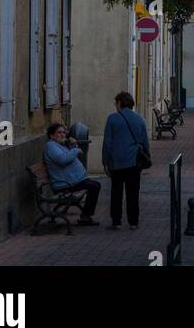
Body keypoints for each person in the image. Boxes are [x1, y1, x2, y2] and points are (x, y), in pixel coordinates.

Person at [102, 91, 151, 230]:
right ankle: (133, 222)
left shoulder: (112, 119)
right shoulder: (140, 119)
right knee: (133, 193)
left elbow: (107, 142)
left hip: (117, 162)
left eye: (116, 103)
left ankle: (116, 221)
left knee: (116, 193)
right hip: (134, 161)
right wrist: (147, 156)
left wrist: (105, 161)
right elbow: (144, 141)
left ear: (119, 103)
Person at [43, 123, 101, 225]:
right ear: (52, 135)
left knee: (95, 185)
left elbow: (68, 155)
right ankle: (85, 217)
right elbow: (63, 159)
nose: (63, 135)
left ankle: (86, 216)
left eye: (64, 132)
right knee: (94, 187)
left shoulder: (59, 145)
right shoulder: (50, 146)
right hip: (64, 184)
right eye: (59, 132)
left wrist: (73, 145)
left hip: (71, 181)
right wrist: (75, 150)